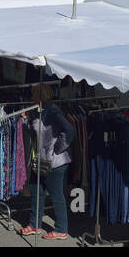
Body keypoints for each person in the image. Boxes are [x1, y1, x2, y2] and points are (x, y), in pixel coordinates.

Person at [22, 101, 76, 240]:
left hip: (55, 162)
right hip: (38, 159)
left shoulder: (52, 111)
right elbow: (34, 133)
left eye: (33, 93)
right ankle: (34, 225)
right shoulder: (37, 111)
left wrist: (57, 149)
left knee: (56, 194)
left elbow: (69, 131)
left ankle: (61, 229)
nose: (30, 97)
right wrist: (25, 121)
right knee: (36, 191)